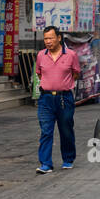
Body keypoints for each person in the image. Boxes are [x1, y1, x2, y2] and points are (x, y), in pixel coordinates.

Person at [35, 25, 81, 175]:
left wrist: (63, 84)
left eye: (51, 38)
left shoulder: (71, 55)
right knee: (46, 131)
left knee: (66, 129)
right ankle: (46, 164)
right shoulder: (41, 55)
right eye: (45, 38)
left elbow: (76, 73)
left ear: (59, 38)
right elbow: (40, 74)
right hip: (45, 99)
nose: (48, 41)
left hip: (64, 98)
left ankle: (68, 159)